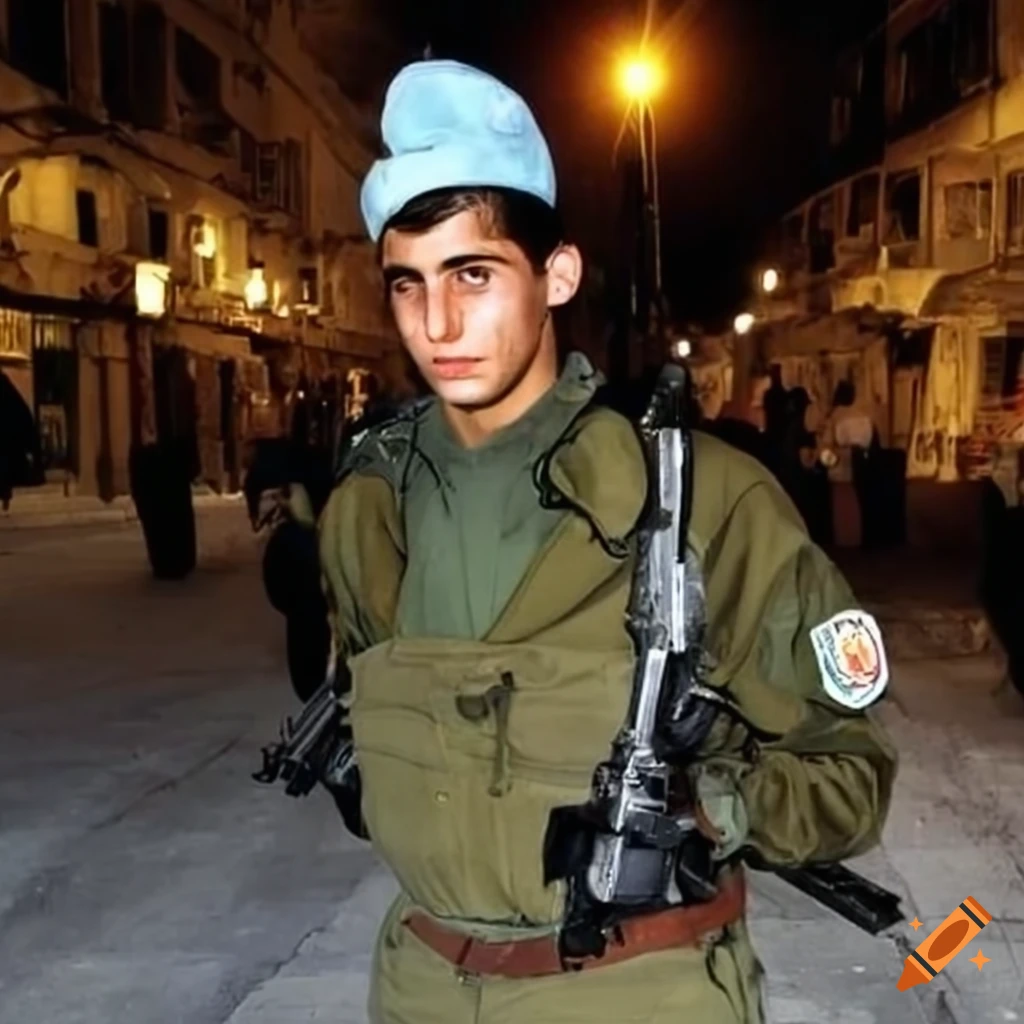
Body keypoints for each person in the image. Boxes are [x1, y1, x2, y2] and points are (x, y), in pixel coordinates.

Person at [316, 60, 897, 1023]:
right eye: (408, 285)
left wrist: (713, 805)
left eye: (473, 274)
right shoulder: (369, 508)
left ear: (558, 275)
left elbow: (852, 775)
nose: (439, 323)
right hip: (419, 985)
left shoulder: (701, 505)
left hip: (639, 992)